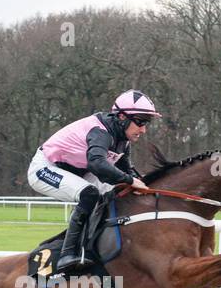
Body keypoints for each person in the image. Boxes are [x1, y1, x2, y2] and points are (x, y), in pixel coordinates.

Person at [27, 90, 161, 273]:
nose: (143, 129)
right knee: (89, 194)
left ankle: (97, 245)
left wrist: (141, 184)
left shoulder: (123, 140)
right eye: (140, 122)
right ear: (122, 117)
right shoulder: (101, 132)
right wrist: (130, 180)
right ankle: (67, 254)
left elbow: (126, 172)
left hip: (78, 171)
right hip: (45, 168)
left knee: (119, 192)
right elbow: (97, 163)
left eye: (147, 123)